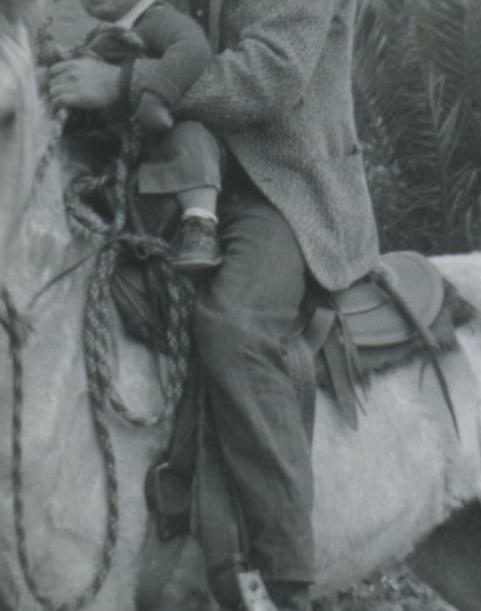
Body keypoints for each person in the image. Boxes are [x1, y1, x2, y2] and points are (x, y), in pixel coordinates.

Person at [49, 0, 380, 608]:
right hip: (183, 171)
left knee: (235, 325)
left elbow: (269, 75)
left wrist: (121, 85)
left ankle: (283, 578)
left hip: (281, 192)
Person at [65, 0, 225, 272]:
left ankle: (199, 224)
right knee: (72, 151)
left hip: (164, 131)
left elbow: (193, 48)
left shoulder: (157, 18)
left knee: (190, 141)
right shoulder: (103, 36)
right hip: (124, 141)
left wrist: (157, 97)